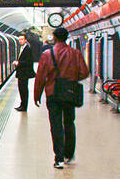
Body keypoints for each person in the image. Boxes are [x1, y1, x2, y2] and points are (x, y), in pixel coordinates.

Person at [33, 27, 89, 168]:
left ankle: (58, 158)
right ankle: (69, 154)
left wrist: (37, 95)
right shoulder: (75, 53)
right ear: (67, 37)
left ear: (54, 37)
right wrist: (71, 79)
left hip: (53, 94)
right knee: (69, 123)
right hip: (69, 93)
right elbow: (84, 73)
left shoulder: (47, 54)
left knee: (56, 125)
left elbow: (40, 77)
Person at [13, 34, 35, 111]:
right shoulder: (23, 48)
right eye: (19, 39)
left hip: (24, 73)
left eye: (22, 39)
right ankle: (22, 104)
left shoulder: (27, 49)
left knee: (23, 90)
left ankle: (24, 106)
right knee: (22, 90)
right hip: (22, 73)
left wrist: (18, 63)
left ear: (25, 40)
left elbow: (29, 61)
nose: (20, 41)